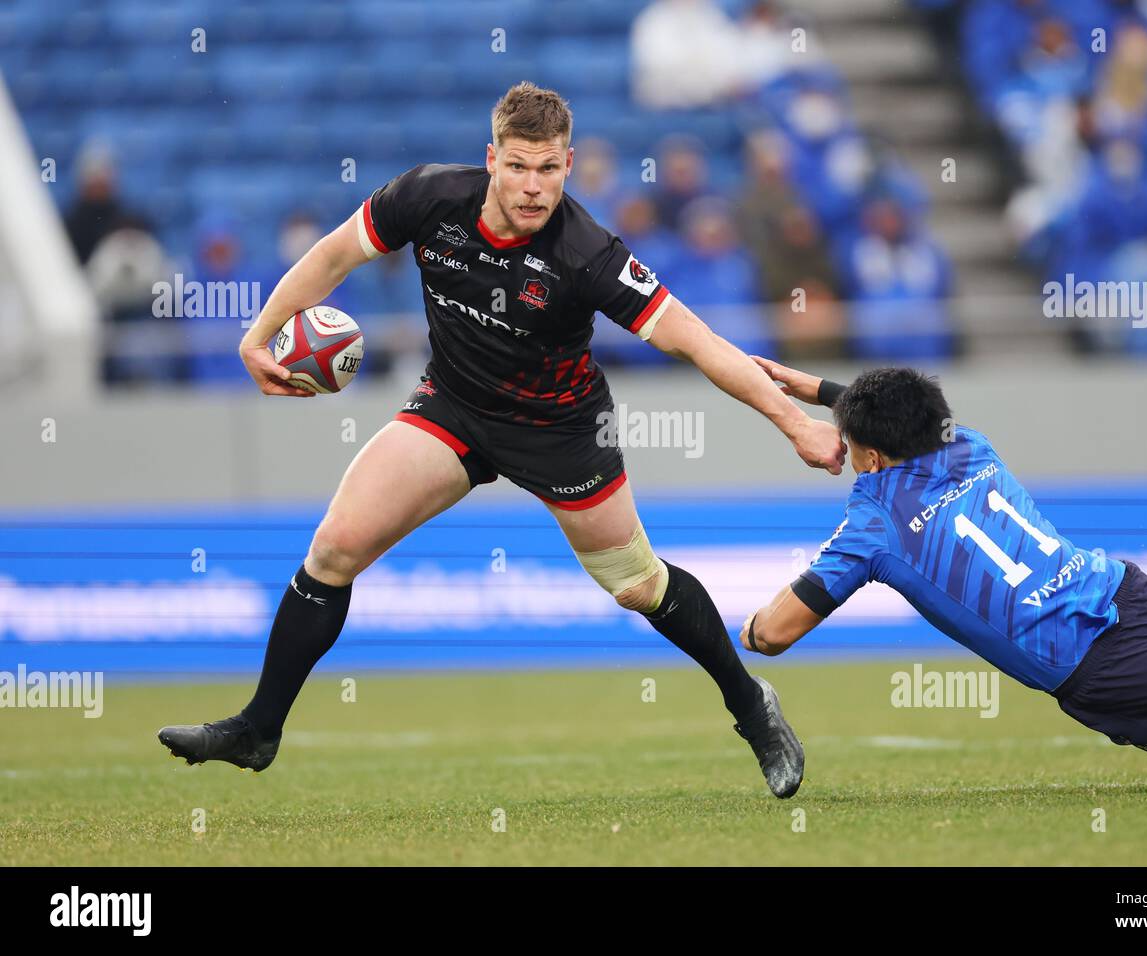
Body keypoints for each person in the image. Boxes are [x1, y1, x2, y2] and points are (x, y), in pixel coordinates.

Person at [157, 83, 846, 798]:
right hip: (453, 408)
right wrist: (259, 333)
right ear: (491, 159)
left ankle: (748, 703)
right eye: (518, 166)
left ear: (569, 166)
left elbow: (698, 343)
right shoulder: (427, 197)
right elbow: (332, 257)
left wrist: (796, 424)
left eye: (548, 169)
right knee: (334, 547)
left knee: (639, 585)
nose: (532, 186)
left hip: (561, 430)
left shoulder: (587, 253)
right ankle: (258, 729)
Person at [739, 360, 1147, 789]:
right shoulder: (966, 444)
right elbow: (908, 416)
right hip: (1143, 597)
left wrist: (746, 632)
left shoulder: (872, 525)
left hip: (1107, 664)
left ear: (874, 457)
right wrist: (815, 391)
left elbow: (774, 633)